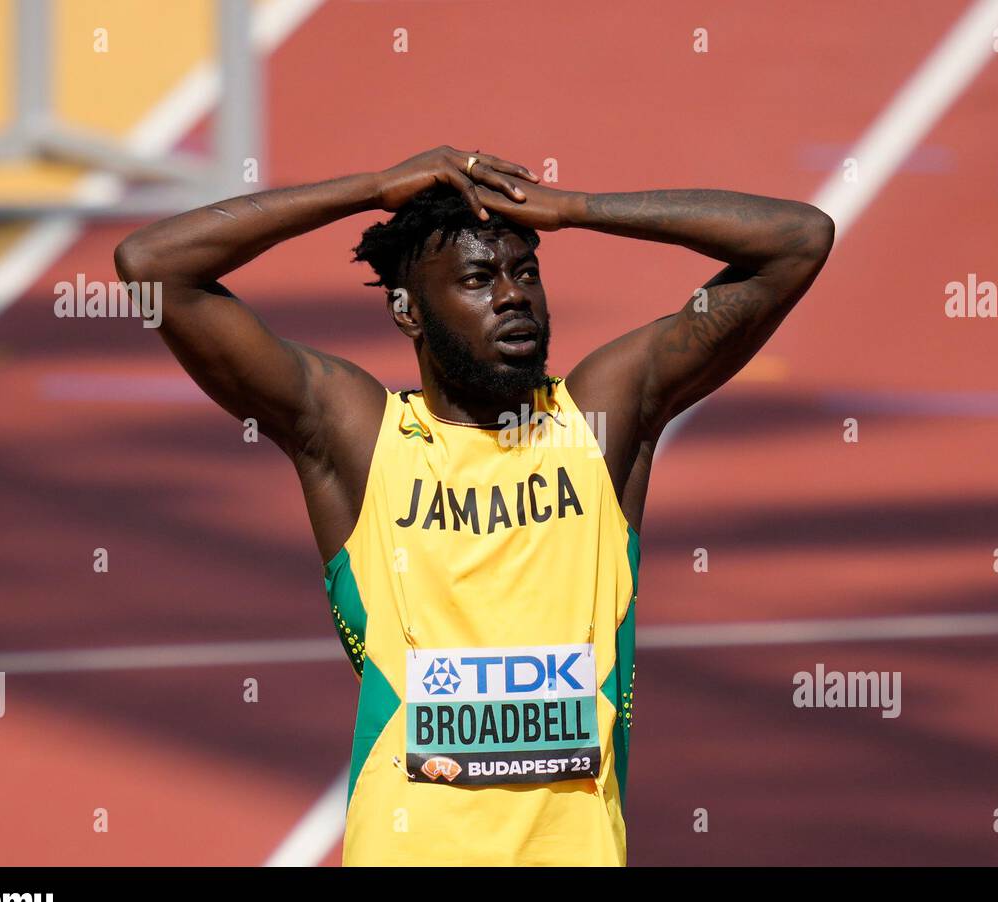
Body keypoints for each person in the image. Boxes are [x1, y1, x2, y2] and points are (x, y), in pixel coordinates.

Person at [114, 145, 833, 865]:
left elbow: (798, 240)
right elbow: (152, 265)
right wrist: (371, 188)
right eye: (479, 279)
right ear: (409, 312)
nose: (513, 295)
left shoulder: (597, 425)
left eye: (526, 272)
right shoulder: (363, 443)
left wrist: (577, 209)